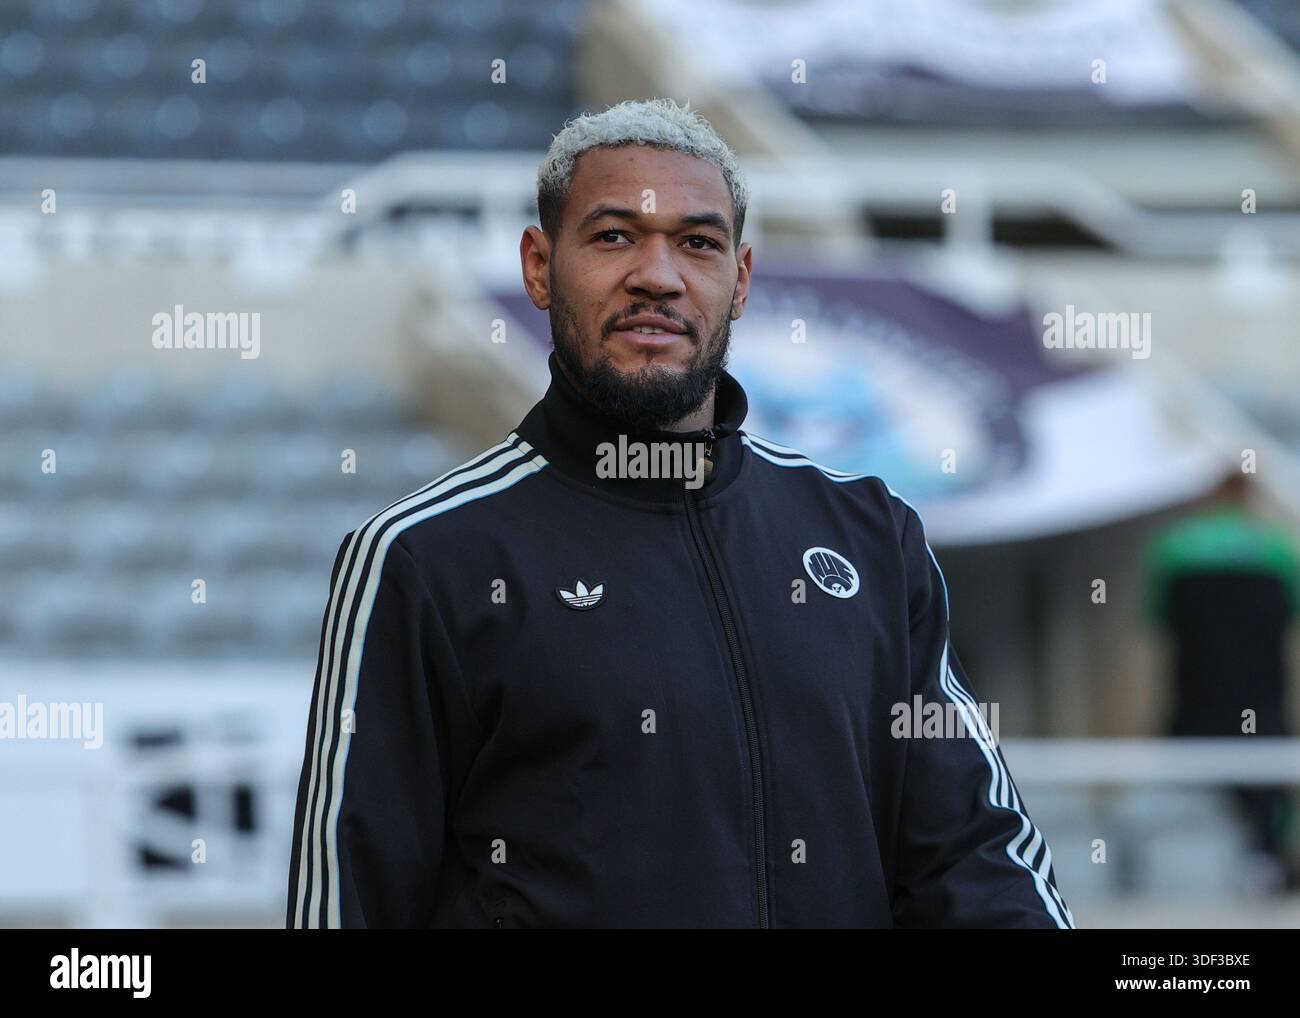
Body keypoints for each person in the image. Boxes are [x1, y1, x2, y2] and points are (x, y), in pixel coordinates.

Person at [286, 98, 1073, 928]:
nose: (657, 276)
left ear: (738, 281)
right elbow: (348, 898)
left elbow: (975, 854)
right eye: (614, 235)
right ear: (538, 265)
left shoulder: (867, 534)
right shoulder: (425, 558)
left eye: (697, 243)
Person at [1143, 470, 1300, 889]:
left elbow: (1159, 619)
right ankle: (1265, 862)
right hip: (1263, 708)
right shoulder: (1278, 550)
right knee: (1266, 799)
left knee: (1187, 799)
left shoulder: (1174, 550)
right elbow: (1288, 615)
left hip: (1196, 704)